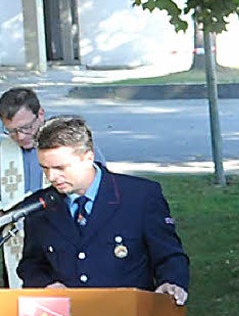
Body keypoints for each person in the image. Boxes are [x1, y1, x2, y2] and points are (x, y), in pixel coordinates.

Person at [17, 116, 188, 304]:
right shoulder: (40, 206)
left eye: (60, 168)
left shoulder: (140, 197)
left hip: (126, 314)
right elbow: (31, 265)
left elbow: (169, 255)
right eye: (45, 168)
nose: (52, 176)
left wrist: (171, 282)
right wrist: (46, 285)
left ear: (88, 158)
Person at [0, 87, 106, 288]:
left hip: (63, 237)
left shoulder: (66, 142)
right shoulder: (2, 151)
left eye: (26, 127)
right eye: (12, 131)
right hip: (16, 241)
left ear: (40, 113)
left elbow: (96, 188)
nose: (20, 136)